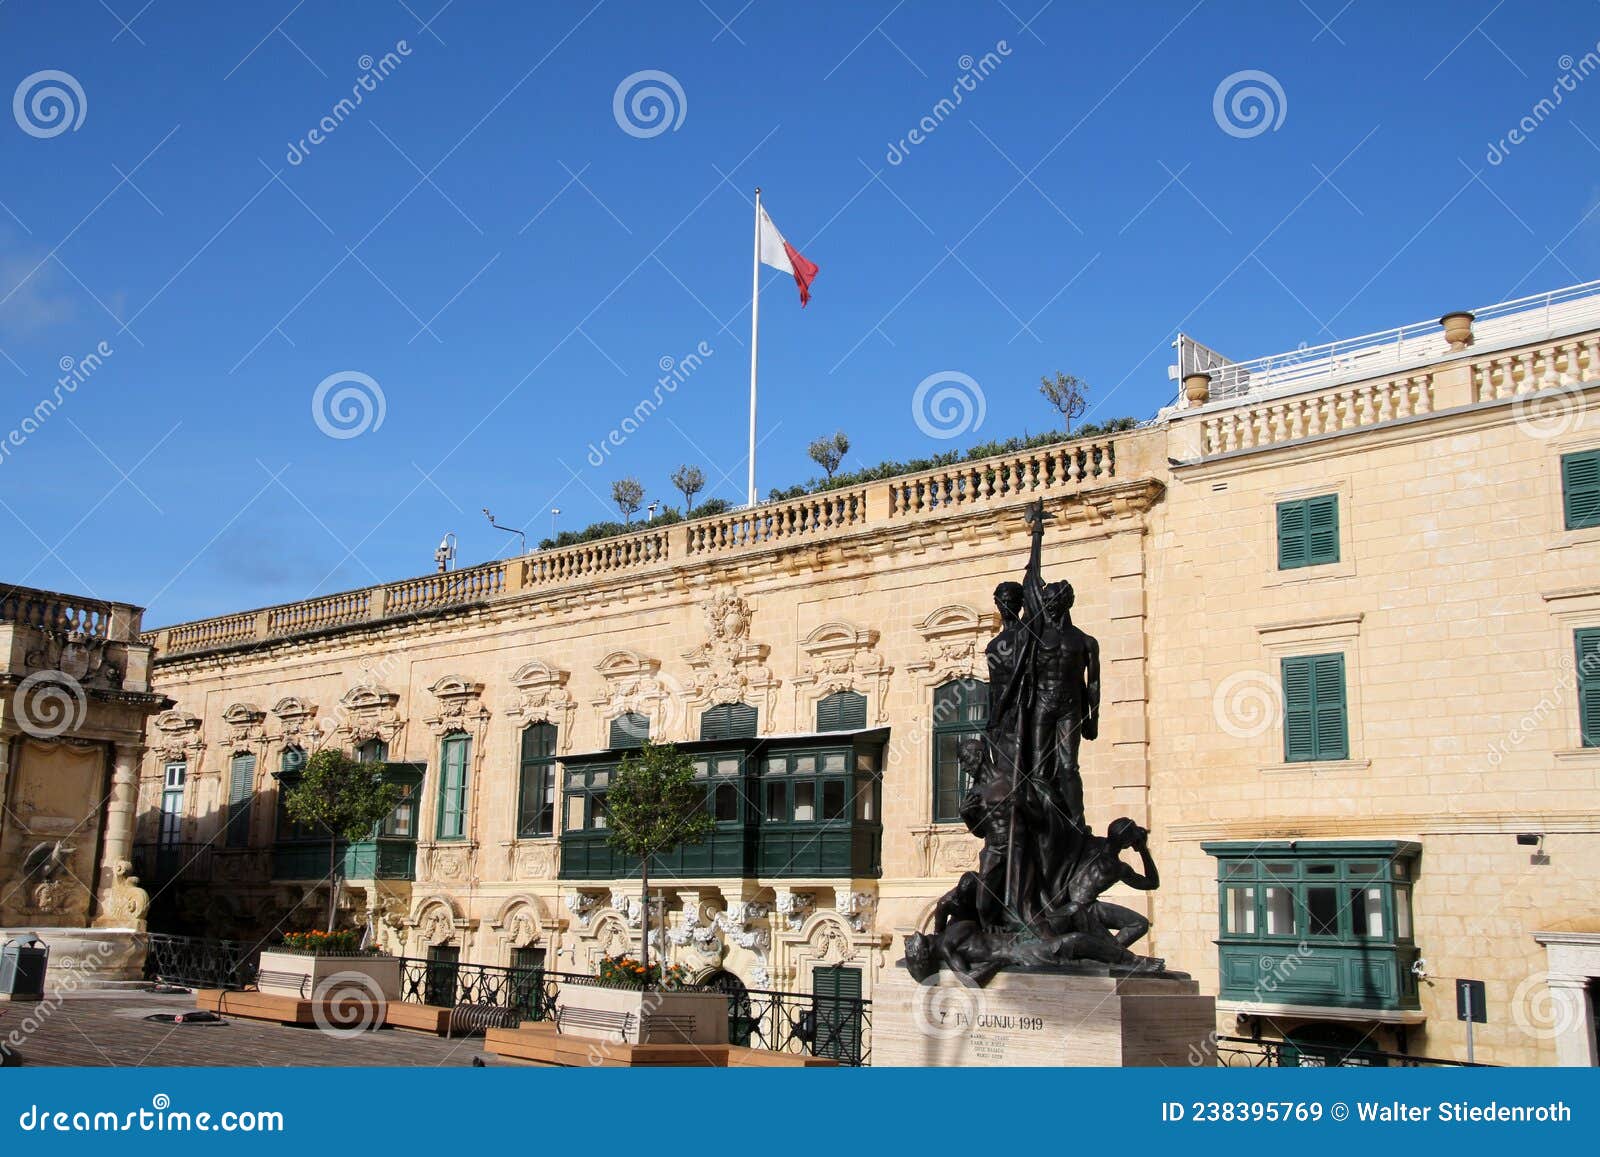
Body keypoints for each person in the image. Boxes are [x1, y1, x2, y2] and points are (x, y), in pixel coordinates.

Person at [1018, 501, 1099, 829]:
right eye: (1046, 599)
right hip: (1042, 703)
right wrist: (1036, 534)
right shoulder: (1038, 632)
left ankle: (1075, 822)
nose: (1046, 603)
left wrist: (1094, 718)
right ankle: (1048, 820)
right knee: (1038, 769)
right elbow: (1032, 579)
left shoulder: (1084, 641)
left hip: (1069, 706)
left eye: (1052, 600)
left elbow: (1093, 683)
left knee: (1068, 767)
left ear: (1062, 604)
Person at [1041, 817, 1159, 951]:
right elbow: (1152, 883)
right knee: (1140, 923)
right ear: (1127, 844)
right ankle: (1108, 953)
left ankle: (1107, 952)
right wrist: (1143, 849)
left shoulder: (1090, 843)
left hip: (1066, 903)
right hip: (1087, 908)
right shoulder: (1118, 868)